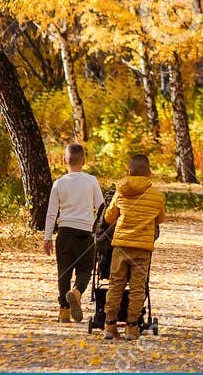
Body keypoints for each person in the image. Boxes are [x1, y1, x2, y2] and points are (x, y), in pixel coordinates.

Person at [101, 153, 166, 341]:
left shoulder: (120, 192)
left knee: (116, 284)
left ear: (129, 171)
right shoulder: (156, 195)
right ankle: (131, 327)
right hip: (142, 248)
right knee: (138, 287)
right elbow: (160, 218)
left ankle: (110, 326)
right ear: (149, 173)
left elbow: (108, 217)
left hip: (120, 245)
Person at [42, 143, 105, 323]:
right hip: (85, 232)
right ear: (83, 161)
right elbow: (101, 207)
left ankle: (63, 311)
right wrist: (99, 229)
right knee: (85, 268)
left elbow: (51, 213)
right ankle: (77, 292)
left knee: (64, 272)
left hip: (65, 232)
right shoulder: (91, 181)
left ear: (64, 160)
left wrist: (47, 238)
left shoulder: (59, 183)